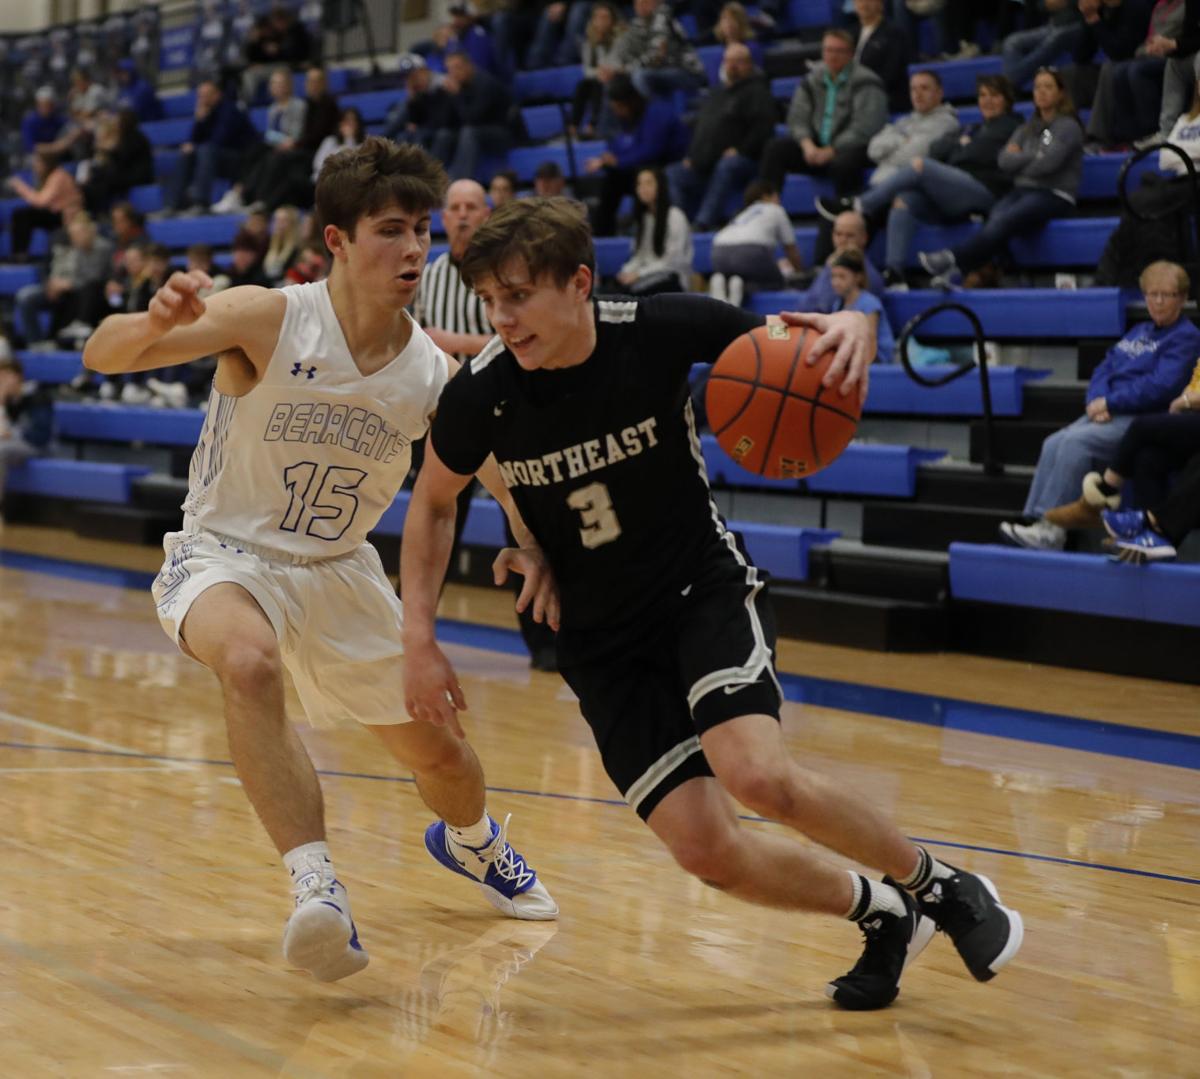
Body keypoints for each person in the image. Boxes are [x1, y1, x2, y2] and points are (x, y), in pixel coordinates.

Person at [399, 195, 1023, 1013]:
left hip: (699, 589)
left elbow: (804, 343)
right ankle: (882, 913)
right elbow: (433, 502)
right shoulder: (484, 393)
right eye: (489, 299)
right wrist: (420, 636)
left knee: (755, 773)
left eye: (518, 295)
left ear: (579, 283)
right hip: (600, 640)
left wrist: (857, 323)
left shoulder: (658, 327)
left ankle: (941, 885)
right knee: (706, 850)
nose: (502, 318)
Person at [80, 138, 557, 984]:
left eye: (420, 231)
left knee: (446, 758)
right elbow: (102, 354)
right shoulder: (268, 316)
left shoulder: (432, 373)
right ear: (336, 240)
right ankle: (318, 888)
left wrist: (530, 539)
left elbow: (498, 473)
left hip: (340, 570)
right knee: (249, 660)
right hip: (224, 552)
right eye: (390, 230)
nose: (413, 249)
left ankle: (474, 842)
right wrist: (154, 322)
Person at [415, 178, 558, 670]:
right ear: (443, 217)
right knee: (435, 517)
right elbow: (417, 337)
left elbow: (525, 339)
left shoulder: (505, 272)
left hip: (507, 411)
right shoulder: (429, 273)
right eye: (453, 207)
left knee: (521, 524)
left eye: (470, 207)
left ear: (486, 214)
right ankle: (409, 629)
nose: (461, 215)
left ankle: (545, 641)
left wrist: (455, 340)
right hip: (445, 413)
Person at [1000, 260, 1200, 550]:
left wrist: (1110, 401)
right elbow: (1105, 366)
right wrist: (1096, 398)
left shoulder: (1186, 337)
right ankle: (1033, 521)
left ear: (1181, 298)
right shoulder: (1139, 330)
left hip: (1138, 415)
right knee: (1053, 442)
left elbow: (1159, 387)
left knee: (1074, 445)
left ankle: (1052, 531)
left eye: (1166, 295)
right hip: (1107, 409)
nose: (1158, 301)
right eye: (1152, 294)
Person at [818, 74, 1022, 290]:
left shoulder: (1014, 126)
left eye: (994, 95)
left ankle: (861, 204)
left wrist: (961, 147)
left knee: (920, 165)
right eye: (983, 95)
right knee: (904, 200)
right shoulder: (973, 128)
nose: (987, 101)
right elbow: (937, 149)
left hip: (986, 192)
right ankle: (895, 273)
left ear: (1007, 99)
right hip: (954, 193)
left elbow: (975, 153)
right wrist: (962, 146)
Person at [919, 68, 1084, 289]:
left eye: (1048, 87)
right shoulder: (1030, 128)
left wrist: (1021, 160)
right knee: (995, 218)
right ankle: (963, 274)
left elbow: (1048, 163)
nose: (1041, 92)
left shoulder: (1065, 126)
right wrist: (1031, 157)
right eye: (1037, 87)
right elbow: (1004, 161)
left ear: (1061, 93)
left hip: (1053, 194)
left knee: (1003, 221)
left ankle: (952, 259)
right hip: (1022, 191)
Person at [758, 29, 888, 199]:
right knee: (775, 149)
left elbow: (866, 127)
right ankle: (766, 206)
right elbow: (797, 118)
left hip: (852, 147)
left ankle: (844, 211)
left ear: (851, 54)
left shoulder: (867, 81)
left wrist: (832, 150)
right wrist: (807, 145)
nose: (833, 56)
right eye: (828, 50)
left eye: (839, 51)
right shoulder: (812, 79)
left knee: (844, 164)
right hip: (816, 147)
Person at [664, 43, 776, 232]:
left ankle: (703, 222)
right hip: (707, 161)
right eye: (728, 61)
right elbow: (702, 129)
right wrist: (692, 156)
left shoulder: (758, 92)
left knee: (727, 165)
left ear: (749, 64)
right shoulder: (717, 93)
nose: (732, 66)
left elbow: (763, 130)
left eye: (738, 61)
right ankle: (679, 226)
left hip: (745, 160)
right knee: (673, 173)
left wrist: (741, 150)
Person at [580, 73, 689, 237]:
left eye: (619, 107)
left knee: (640, 174)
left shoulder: (657, 113)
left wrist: (618, 161)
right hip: (645, 166)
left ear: (630, 102)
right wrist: (608, 159)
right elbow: (622, 144)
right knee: (613, 178)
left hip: (668, 166)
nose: (617, 112)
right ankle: (601, 234)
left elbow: (650, 151)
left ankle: (640, 227)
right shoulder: (630, 118)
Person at [13, 211, 114, 347]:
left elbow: (94, 277)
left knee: (86, 289)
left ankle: (75, 327)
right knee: (25, 296)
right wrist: (50, 284)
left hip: (94, 292)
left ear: (88, 232)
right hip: (66, 287)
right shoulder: (77, 248)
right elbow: (47, 267)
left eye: (77, 235)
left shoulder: (103, 248)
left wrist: (68, 284)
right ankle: (36, 343)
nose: (73, 239)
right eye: (72, 236)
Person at [163, 80, 259, 215]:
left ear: (217, 95)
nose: (203, 99)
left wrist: (198, 139)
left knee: (205, 150)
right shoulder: (206, 112)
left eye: (206, 95)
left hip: (241, 160)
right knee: (187, 153)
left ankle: (200, 201)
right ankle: (173, 204)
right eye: (200, 96)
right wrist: (199, 121)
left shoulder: (230, 110)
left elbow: (219, 140)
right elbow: (193, 140)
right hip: (213, 157)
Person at [709, 180, 804, 308]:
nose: (779, 200)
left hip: (718, 252)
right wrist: (799, 272)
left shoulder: (743, 212)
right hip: (750, 252)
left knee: (742, 274)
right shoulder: (775, 209)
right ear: (766, 196)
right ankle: (742, 286)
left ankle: (725, 283)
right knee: (775, 283)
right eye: (776, 196)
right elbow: (790, 248)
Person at [616, 167, 693, 294]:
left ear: (660, 186)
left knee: (632, 293)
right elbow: (640, 256)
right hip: (647, 275)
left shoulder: (675, 216)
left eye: (649, 183)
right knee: (614, 290)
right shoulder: (644, 219)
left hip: (672, 277)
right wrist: (626, 271)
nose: (643, 188)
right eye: (639, 184)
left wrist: (639, 274)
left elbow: (672, 262)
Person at [441, 49, 514, 182]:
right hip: (478, 133)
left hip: (502, 133)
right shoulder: (460, 86)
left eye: (457, 67)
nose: (454, 73)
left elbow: (472, 119)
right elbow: (447, 121)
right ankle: (433, 179)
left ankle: (458, 180)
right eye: (450, 69)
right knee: (444, 134)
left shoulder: (485, 84)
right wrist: (449, 96)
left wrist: (457, 95)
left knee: (469, 132)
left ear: (469, 66)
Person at [612, 0, 707, 99]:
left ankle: (655, 107)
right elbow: (623, 51)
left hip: (687, 71)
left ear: (656, 3)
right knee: (616, 81)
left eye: (645, 2)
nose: (640, 7)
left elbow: (656, 56)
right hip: (662, 70)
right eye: (637, 3)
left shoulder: (663, 18)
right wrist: (616, 67)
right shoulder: (638, 24)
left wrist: (627, 69)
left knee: (640, 76)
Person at [796, 210, 886, 312]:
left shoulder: (870, 276)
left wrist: (830, 268)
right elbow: (804, 306)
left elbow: (825, 306)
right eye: (838, 234)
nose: (843, 240)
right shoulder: (831, 264)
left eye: (850, 235)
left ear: (864, 238)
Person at [5, 149, 83, 262]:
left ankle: (20, 255)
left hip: (66, 216)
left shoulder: (58, 176)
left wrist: (20, 186)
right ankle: (19, 254)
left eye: (38, 162)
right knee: (21, 214)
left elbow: (41, 201)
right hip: (54, 212)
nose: (35, 166)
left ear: (47, 164)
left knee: (23, 215)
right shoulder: (46, 177)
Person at [0, 356, 53, 511]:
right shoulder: (9, 399)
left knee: (1, 450)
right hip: (16, 445)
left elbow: (40, 435)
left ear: (18, 376)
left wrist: (11, 434)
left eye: (5, 376)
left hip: (39, 445)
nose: (2, 381)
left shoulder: (37, 395)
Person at [80, 108, 154, 214]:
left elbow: (123, 160)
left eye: (119, 121)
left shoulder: (137, 139)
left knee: (104, 182)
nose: (117, 124)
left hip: (137, 177)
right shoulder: (126, 137)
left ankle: (100, 211)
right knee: (97, 175)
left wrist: (108, 150)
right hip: (126, 174)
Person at [828, 247, 895, 364]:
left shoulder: (869, 302)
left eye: (842, 276)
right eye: (833, 276)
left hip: (876, 358)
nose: (836, 282)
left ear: (857, 277)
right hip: (852, 353)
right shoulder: (837, 304)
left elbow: (870, 339)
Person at [571, 3, 626, 139]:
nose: (601, 21)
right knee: (583, 85)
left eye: (605, 17)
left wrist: (606, 71)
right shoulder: (589, 42)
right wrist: (599, 72)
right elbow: (587, 70)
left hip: (618, 76)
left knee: (598, 84)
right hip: (601, 77)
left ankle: (593, 125)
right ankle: (573, 126)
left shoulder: (621, 38)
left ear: (612, 20)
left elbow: (619, 61)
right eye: (597, 17)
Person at [852, 0, 913, 114]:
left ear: (881, 4)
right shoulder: (851, 33)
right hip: (856, 97)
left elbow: (891, 73)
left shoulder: (894, 33)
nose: (864, 4)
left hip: (884, 98)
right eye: (859, 0)